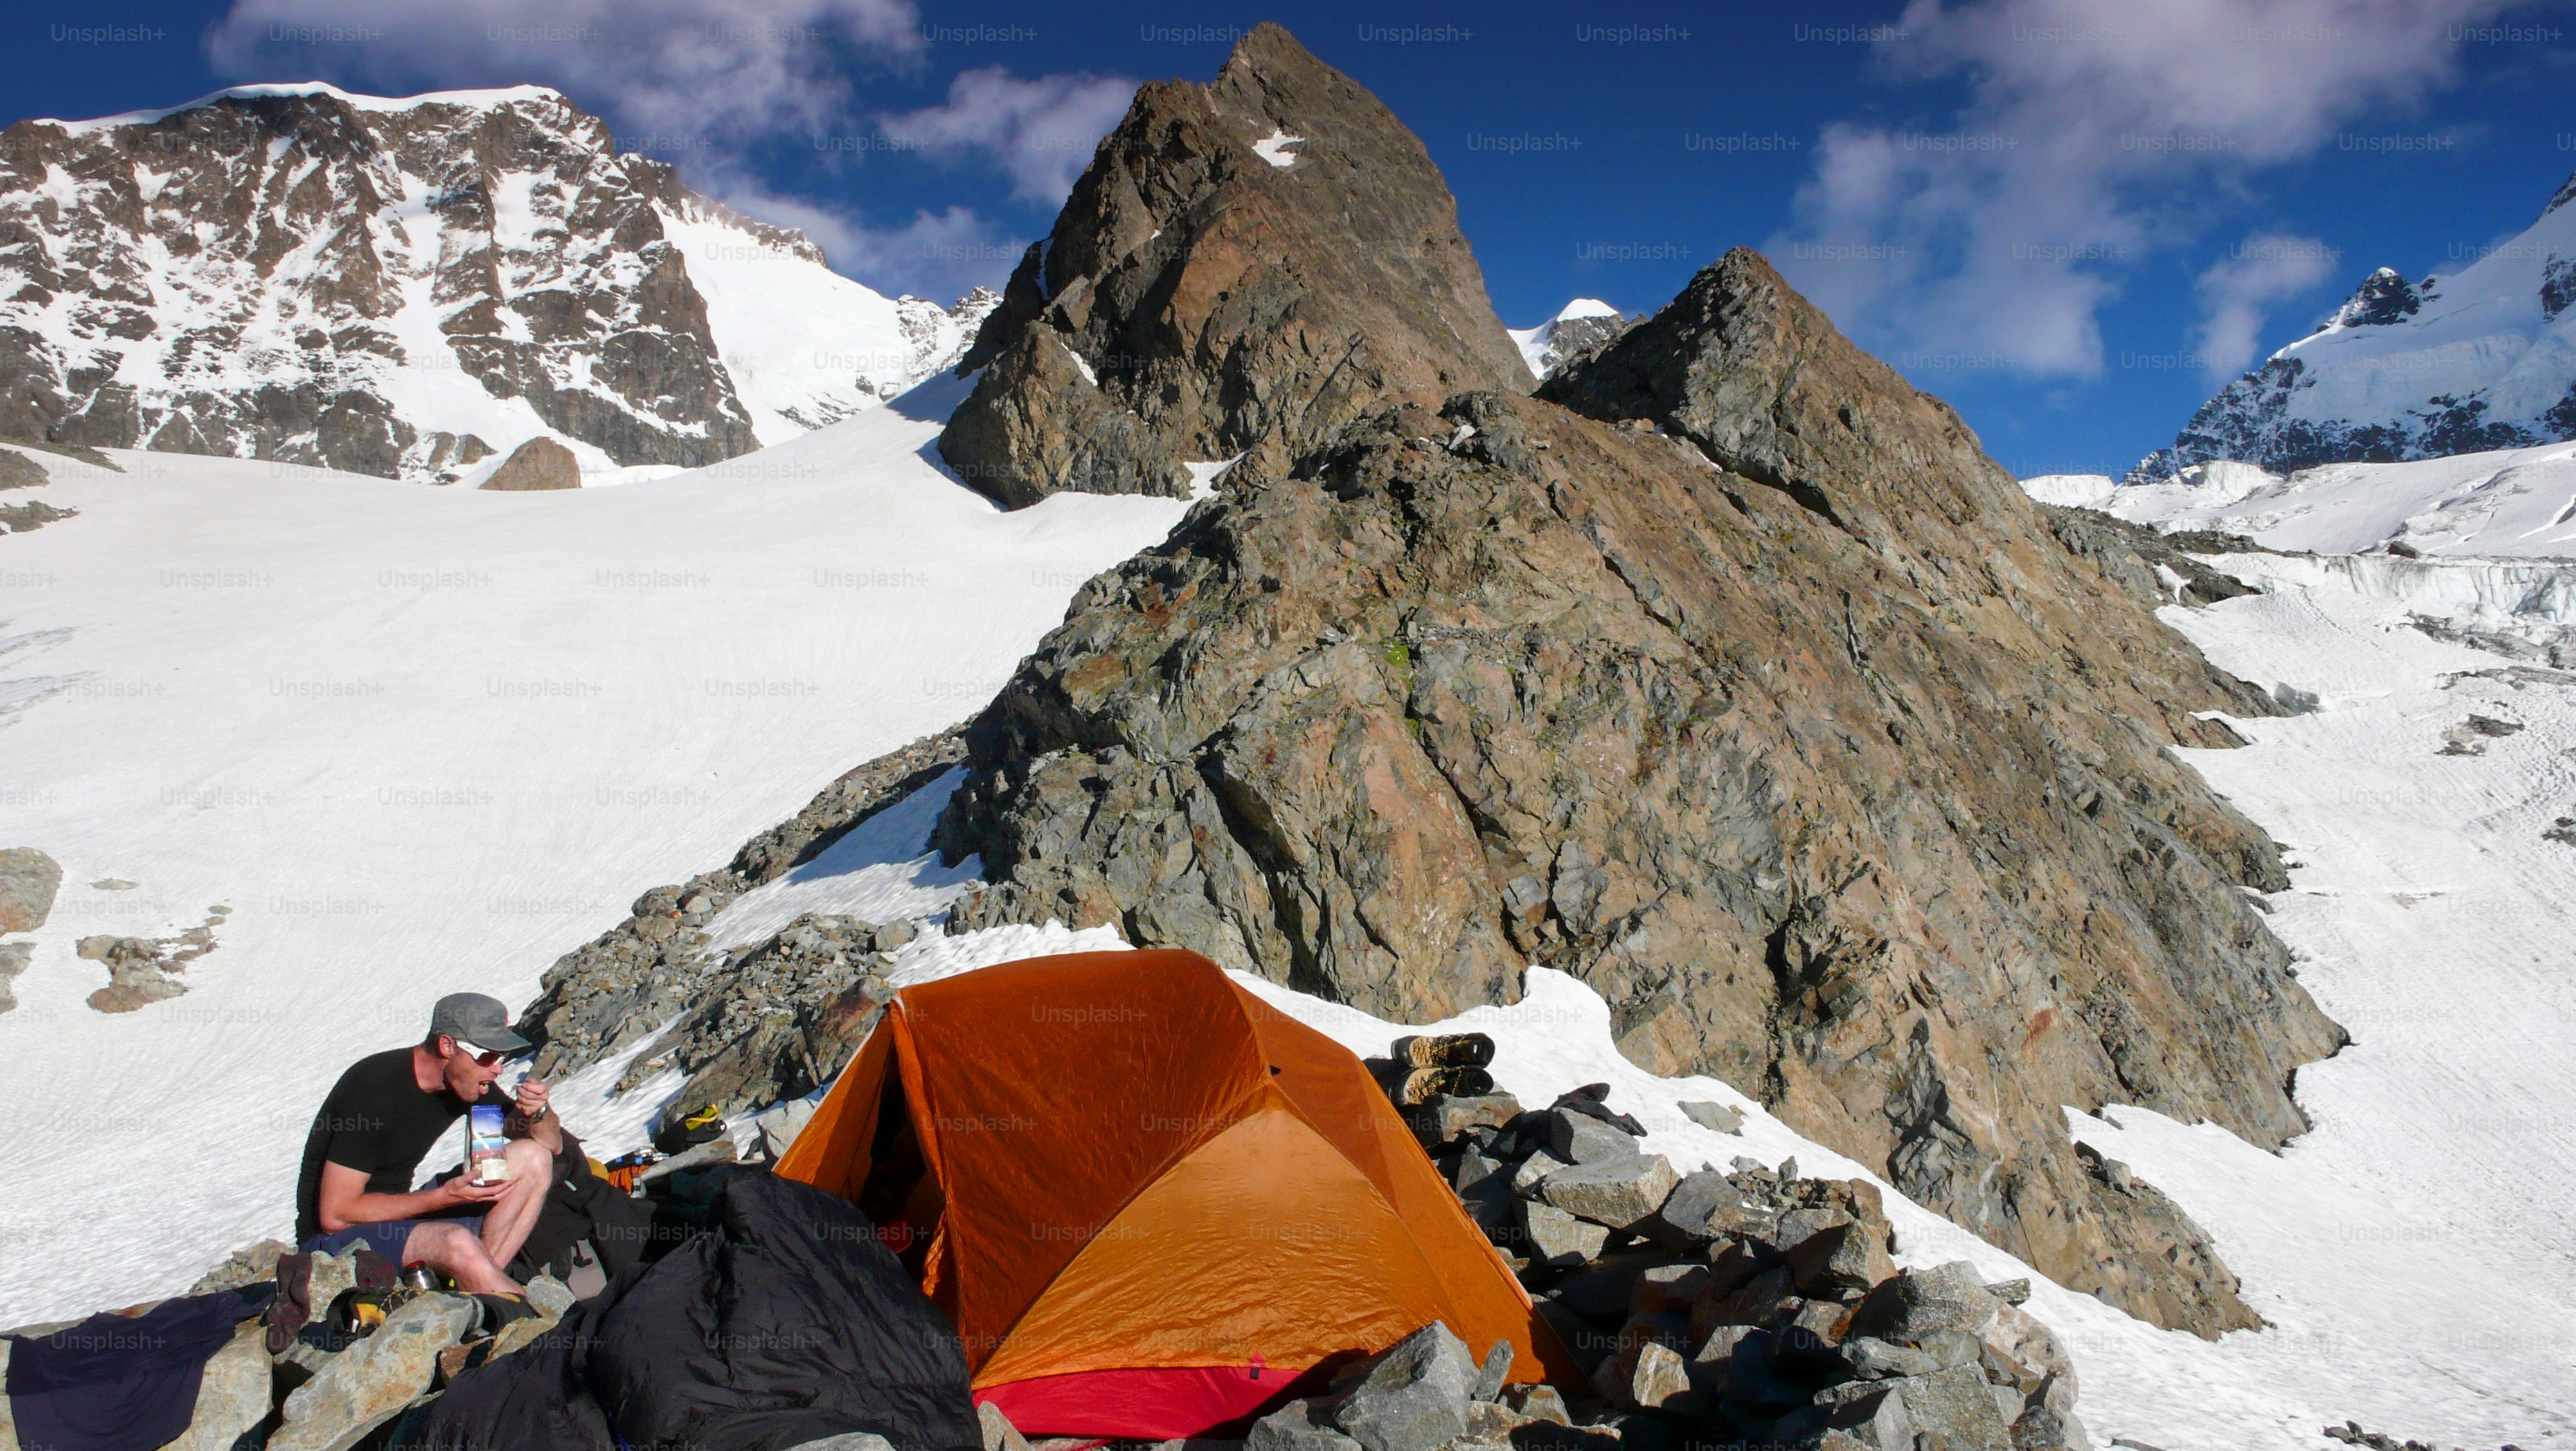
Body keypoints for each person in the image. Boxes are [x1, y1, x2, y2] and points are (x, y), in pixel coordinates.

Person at [291, 992, 559, 1297]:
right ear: (448, 1046)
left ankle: (477, 1288)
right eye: (488, 1056)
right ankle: (533, 1322)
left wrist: (540, 1112)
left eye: (500, 1058)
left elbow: (551, 1144)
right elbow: (335, 1216)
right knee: (456, 1242)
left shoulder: (469, 1086)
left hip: (397, 1219)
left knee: (535, 1158)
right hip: (333, 1242)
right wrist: (444, 1196)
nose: (496, 1069)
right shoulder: (373, 1087)